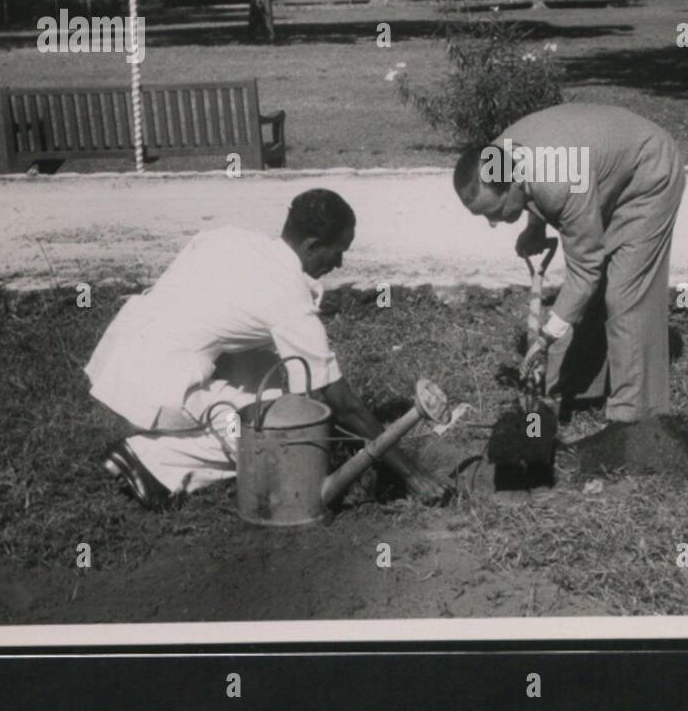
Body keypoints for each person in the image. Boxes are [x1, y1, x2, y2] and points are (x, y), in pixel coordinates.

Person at [85, 188, 452, 511]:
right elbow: (344, 405)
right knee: (279, 441)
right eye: (338, 252)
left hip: (124, 356)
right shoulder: (288, 299)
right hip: (158, 384)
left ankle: (166, 435)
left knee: (275, 384)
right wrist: (411, 473)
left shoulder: (230, 238)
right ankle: (150, 460)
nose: (339, 264)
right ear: (311, 246)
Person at [453, 103, 685, 423]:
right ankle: (586, 385)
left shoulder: (559, 181)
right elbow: (535, 192)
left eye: (495, 211)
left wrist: (546, 337)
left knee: (625, 292)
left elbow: (585, 270)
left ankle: (637, 419)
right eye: (483, 215)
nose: (493, 222)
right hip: (600, 169)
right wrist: (534, 227)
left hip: (648, 172)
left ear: (515, 184)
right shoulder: (499, 155)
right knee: (592, 291)